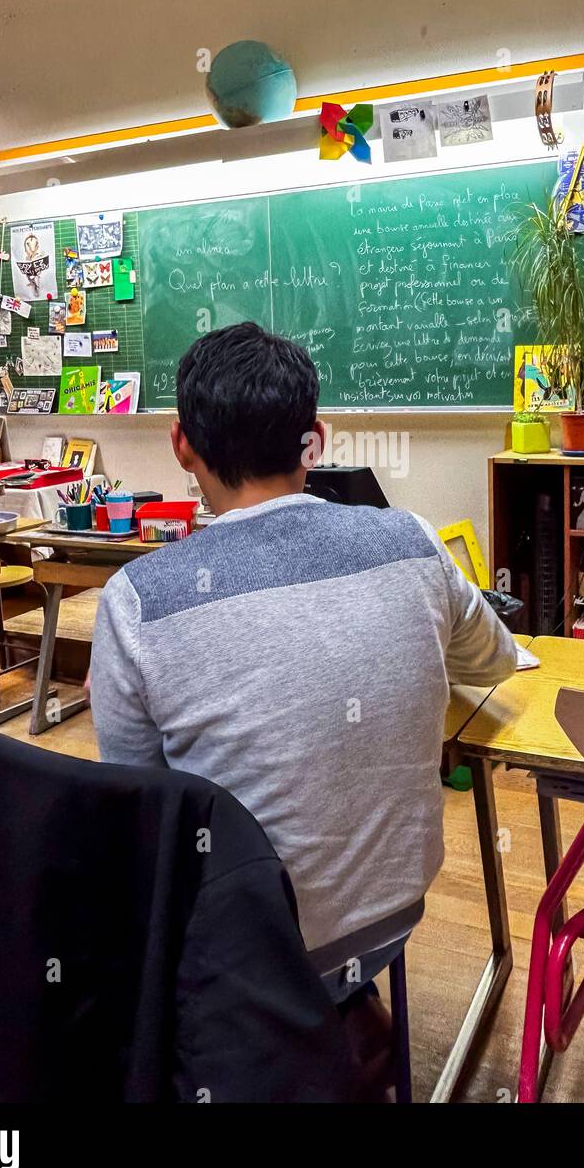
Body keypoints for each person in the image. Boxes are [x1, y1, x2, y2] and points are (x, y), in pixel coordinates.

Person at [90, 322, 537, 999]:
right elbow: (491, 660)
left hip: (239, 949)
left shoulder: (134, 600)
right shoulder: (411, 540)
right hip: (394, 915)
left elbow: (138, 807)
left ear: (181, 445)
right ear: (314, 441)